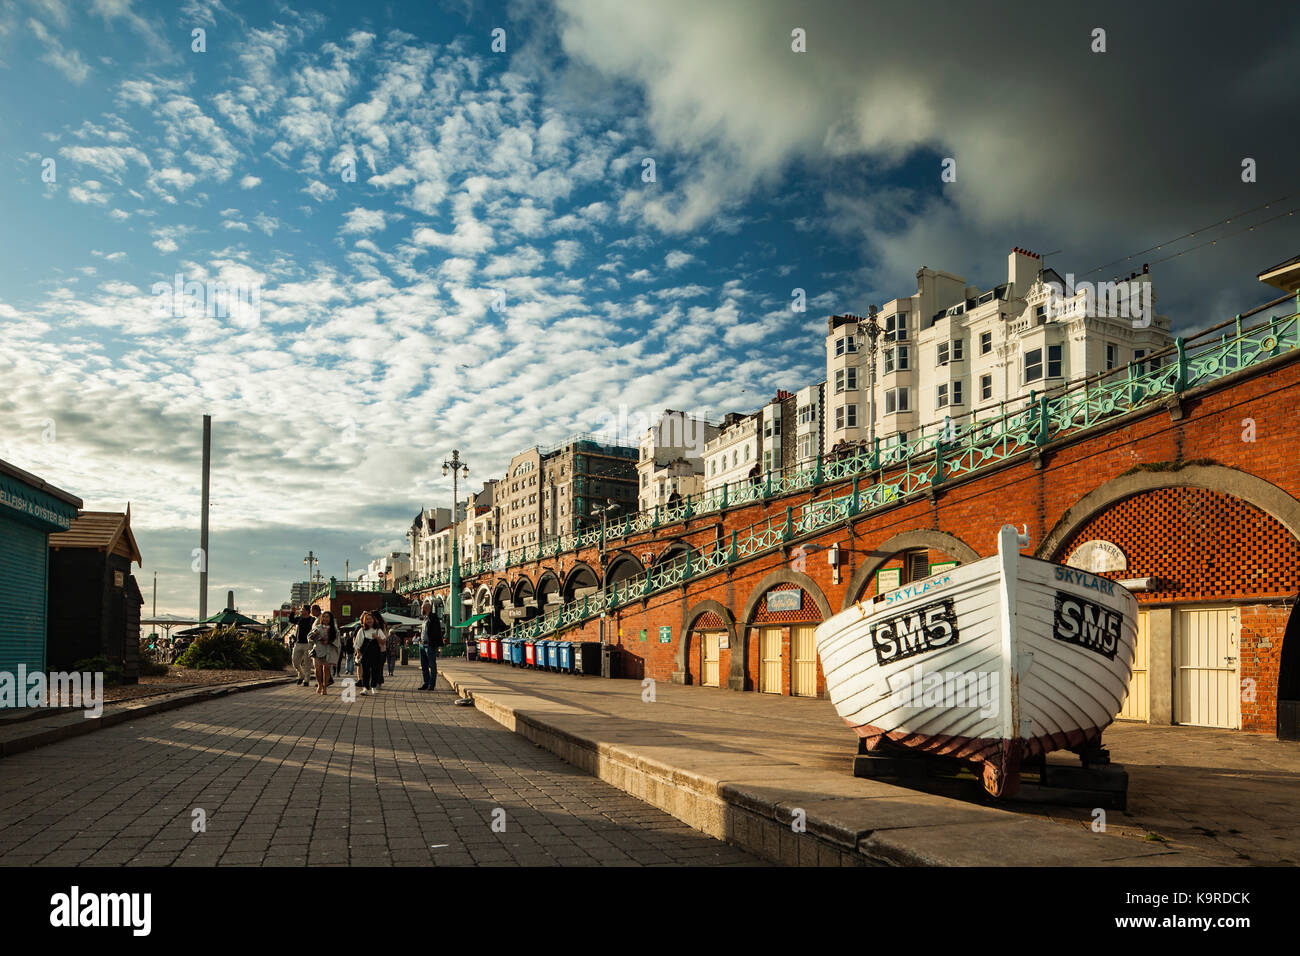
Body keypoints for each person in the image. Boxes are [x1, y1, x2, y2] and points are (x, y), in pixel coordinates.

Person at [308, 611, 340, 696]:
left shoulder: (334, 629)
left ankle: (325, 687)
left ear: (330, 619)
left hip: (329, 651)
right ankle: (320, 684)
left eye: (327, 617)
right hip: (318, 650)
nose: (325, 619)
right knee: (317, 669)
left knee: (326, 669)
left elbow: (337, 640)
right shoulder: (317, 627)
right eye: (324, 617)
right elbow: (309, 637)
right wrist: (314, 635)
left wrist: (328, 641)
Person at [355, 610, 386, 695]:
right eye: (367, 619)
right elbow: (357, 643)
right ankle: (365, 688)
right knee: (365, 671)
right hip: (365, 654)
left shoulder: (377, 630)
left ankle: (373, 687)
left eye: (370, 619)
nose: (369, 621)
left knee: (375, 671)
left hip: (376, 654)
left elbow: (383, 641)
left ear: (374, 620)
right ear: (364, 621)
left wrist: (376, 637)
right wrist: (358, 653)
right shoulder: (362, 630)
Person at [418, 601, 443, 691]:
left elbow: (436, 632)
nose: (421, 609)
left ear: (427, 608)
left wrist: (432, 643)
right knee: (424, 665)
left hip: (430, 645)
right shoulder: (425, 619)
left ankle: (431, 685)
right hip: (422, 644)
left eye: (422, 608)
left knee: (432, 665)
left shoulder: (433, 618)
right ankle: (426, 683)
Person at [292, 605, 315, 686]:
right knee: (295, 662)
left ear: (307, 611)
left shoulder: (312, 620)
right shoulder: (299, 619)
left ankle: (306, 680)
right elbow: (291, 620)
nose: (301, 611)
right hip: (298, 643)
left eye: (302, 609)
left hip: (308, 644)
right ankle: (301, 675)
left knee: (307, 663)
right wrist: (293, 612)